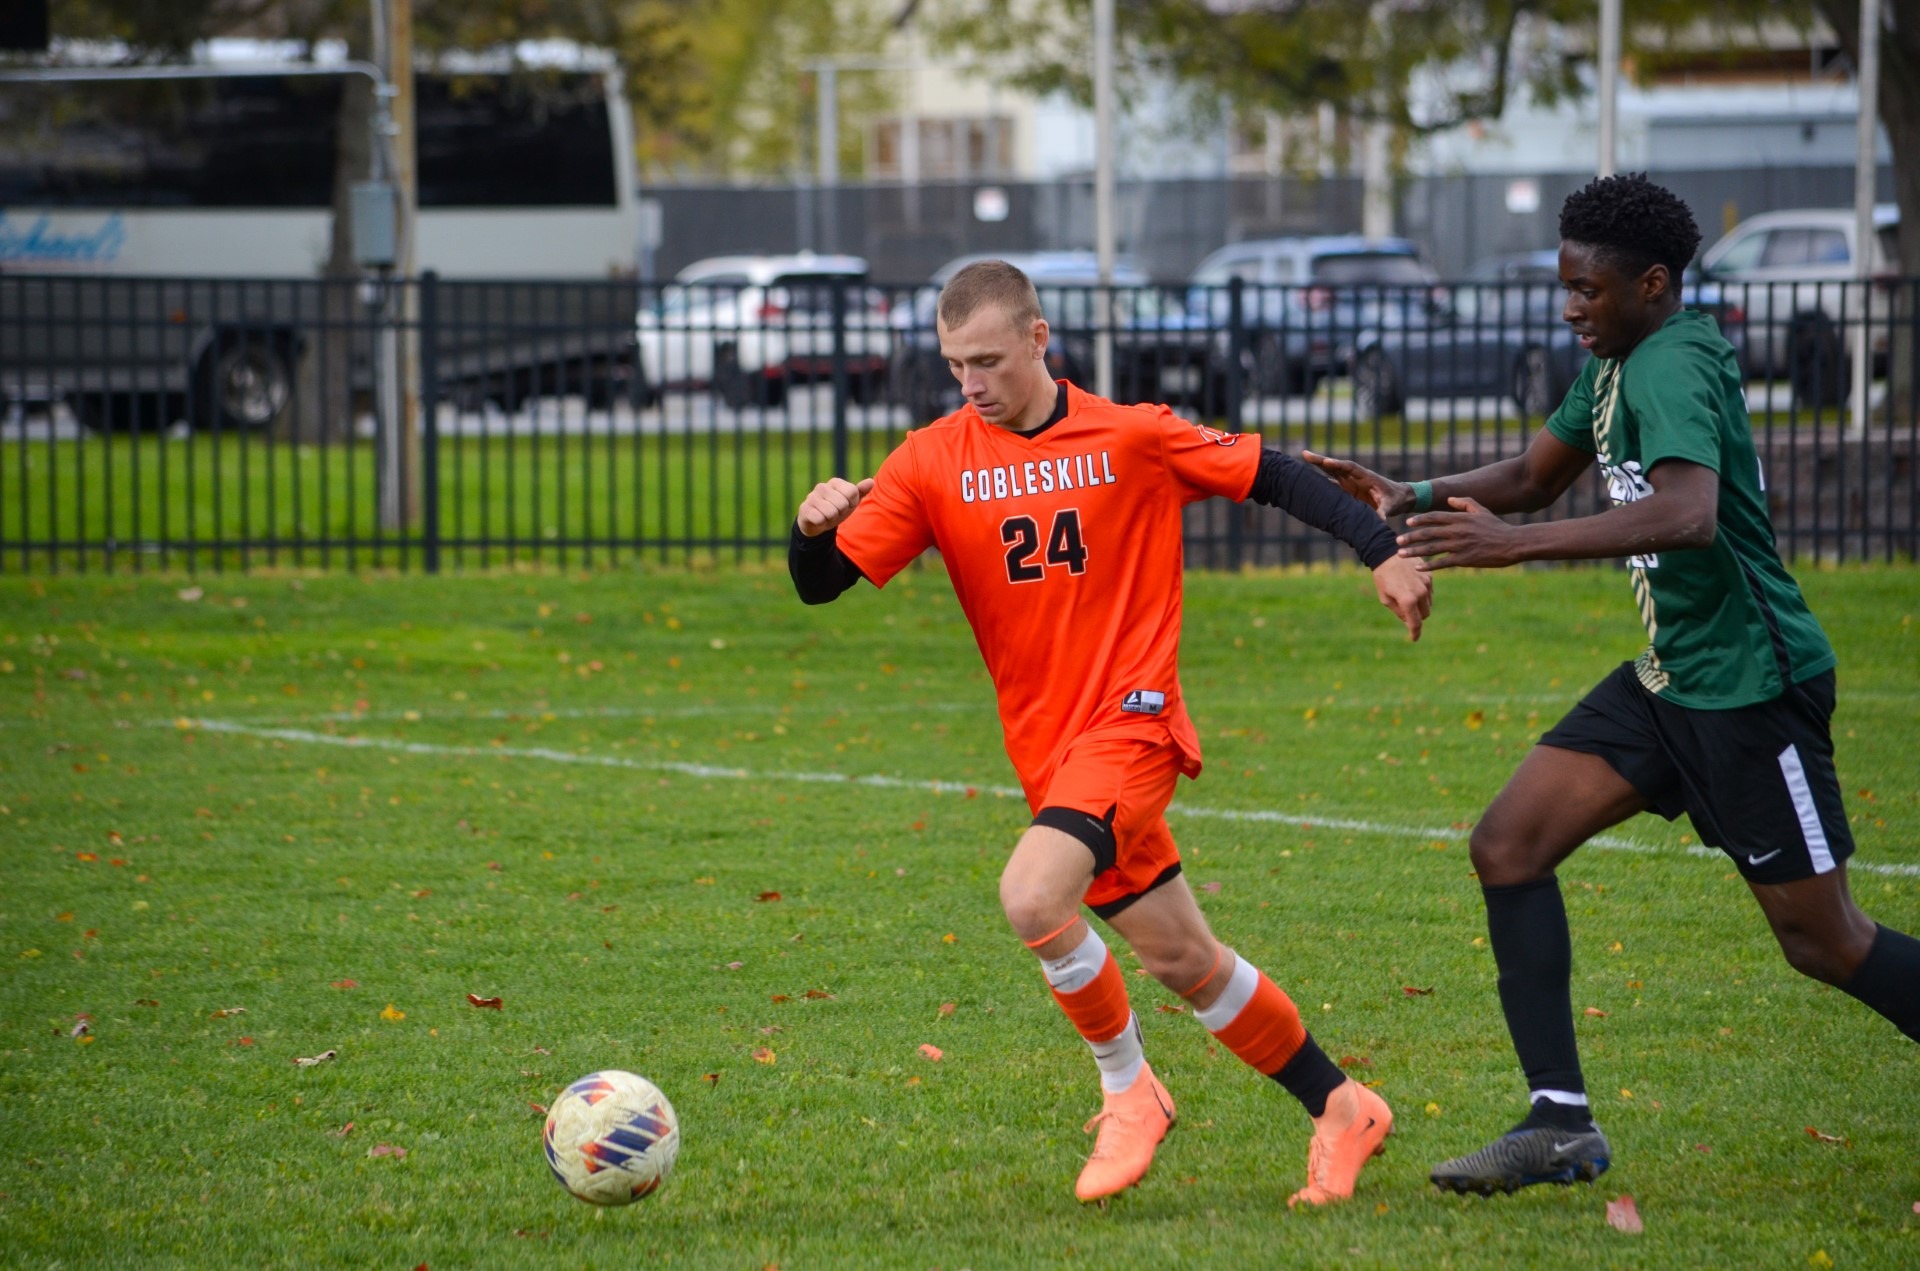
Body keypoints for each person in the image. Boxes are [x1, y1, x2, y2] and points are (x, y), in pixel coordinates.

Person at [1305, 172, 1920, 1197]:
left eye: (1589, 289)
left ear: (1654, 282)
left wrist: (1518, 548)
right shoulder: (1616, 360)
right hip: (1669, 680)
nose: (1571, 307)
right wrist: (1410, 492)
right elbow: (1538, 473)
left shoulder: (1675, 361)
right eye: (1566, 287)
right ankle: (1559, 1124)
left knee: (1824, 939)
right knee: (1509, 842)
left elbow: (1687, 513)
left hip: (1750, 690)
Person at [790, 259, 1432, 1206]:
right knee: (1186, 960)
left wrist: (1383, 552)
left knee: (1030, 895)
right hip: (1051, 757)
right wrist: (812, 527)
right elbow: (820, 583)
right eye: (954, 363)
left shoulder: (1131, 435)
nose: (970, 383)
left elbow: (1274, 472)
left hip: (1133, 728)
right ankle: (1342, 1107)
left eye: (988, 360)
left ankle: (1132, 1090)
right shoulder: (933, 459)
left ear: (1039, 340)